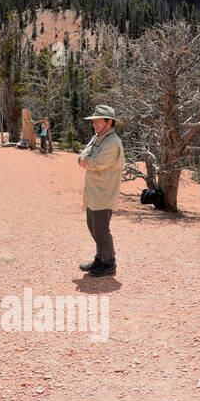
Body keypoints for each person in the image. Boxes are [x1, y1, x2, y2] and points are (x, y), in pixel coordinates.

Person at [78, 105, 123, 278]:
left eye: (98, 121)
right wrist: (85, 160)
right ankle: (100, 258)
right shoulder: (98, 138)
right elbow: (82, 157)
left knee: (101, 230)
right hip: (94, 193)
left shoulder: (112, 143)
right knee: (93, 227)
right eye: (94, 121)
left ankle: (109, 263)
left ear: (108, 122)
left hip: (104, 194)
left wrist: (85, 161)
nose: (94, 124)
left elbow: (94, 163)